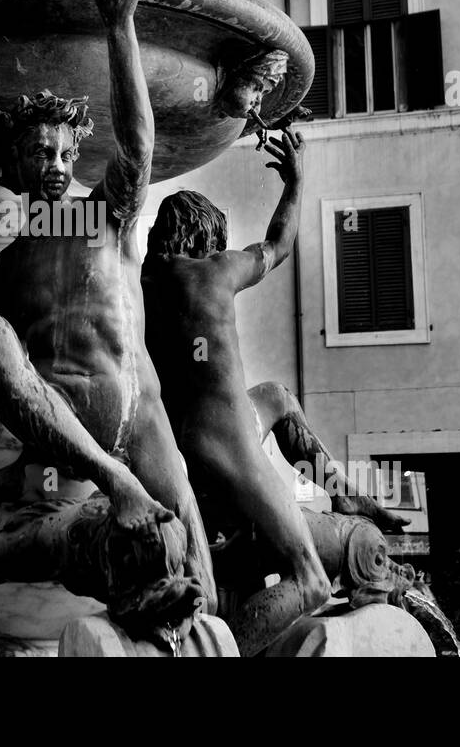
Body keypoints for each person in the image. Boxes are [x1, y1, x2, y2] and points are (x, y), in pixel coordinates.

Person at [0, 0, 216, 644]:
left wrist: (119, 22)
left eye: (67, 152)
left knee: (192, 550)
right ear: (15, 166)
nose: (58, 164)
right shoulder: (8, 264)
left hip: (140, 416)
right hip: (71, 443)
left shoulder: (106, 214)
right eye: (40, 152)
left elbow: (138, 141)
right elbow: (4, 380)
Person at [140, 131, 333, 646]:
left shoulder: (145, 284)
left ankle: (342, 491)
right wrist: (294, 182)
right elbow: (278, 245)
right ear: (204, 240)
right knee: (309, 579)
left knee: (275, 397)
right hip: (229, 440)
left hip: (178, 443)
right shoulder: (214, 270)